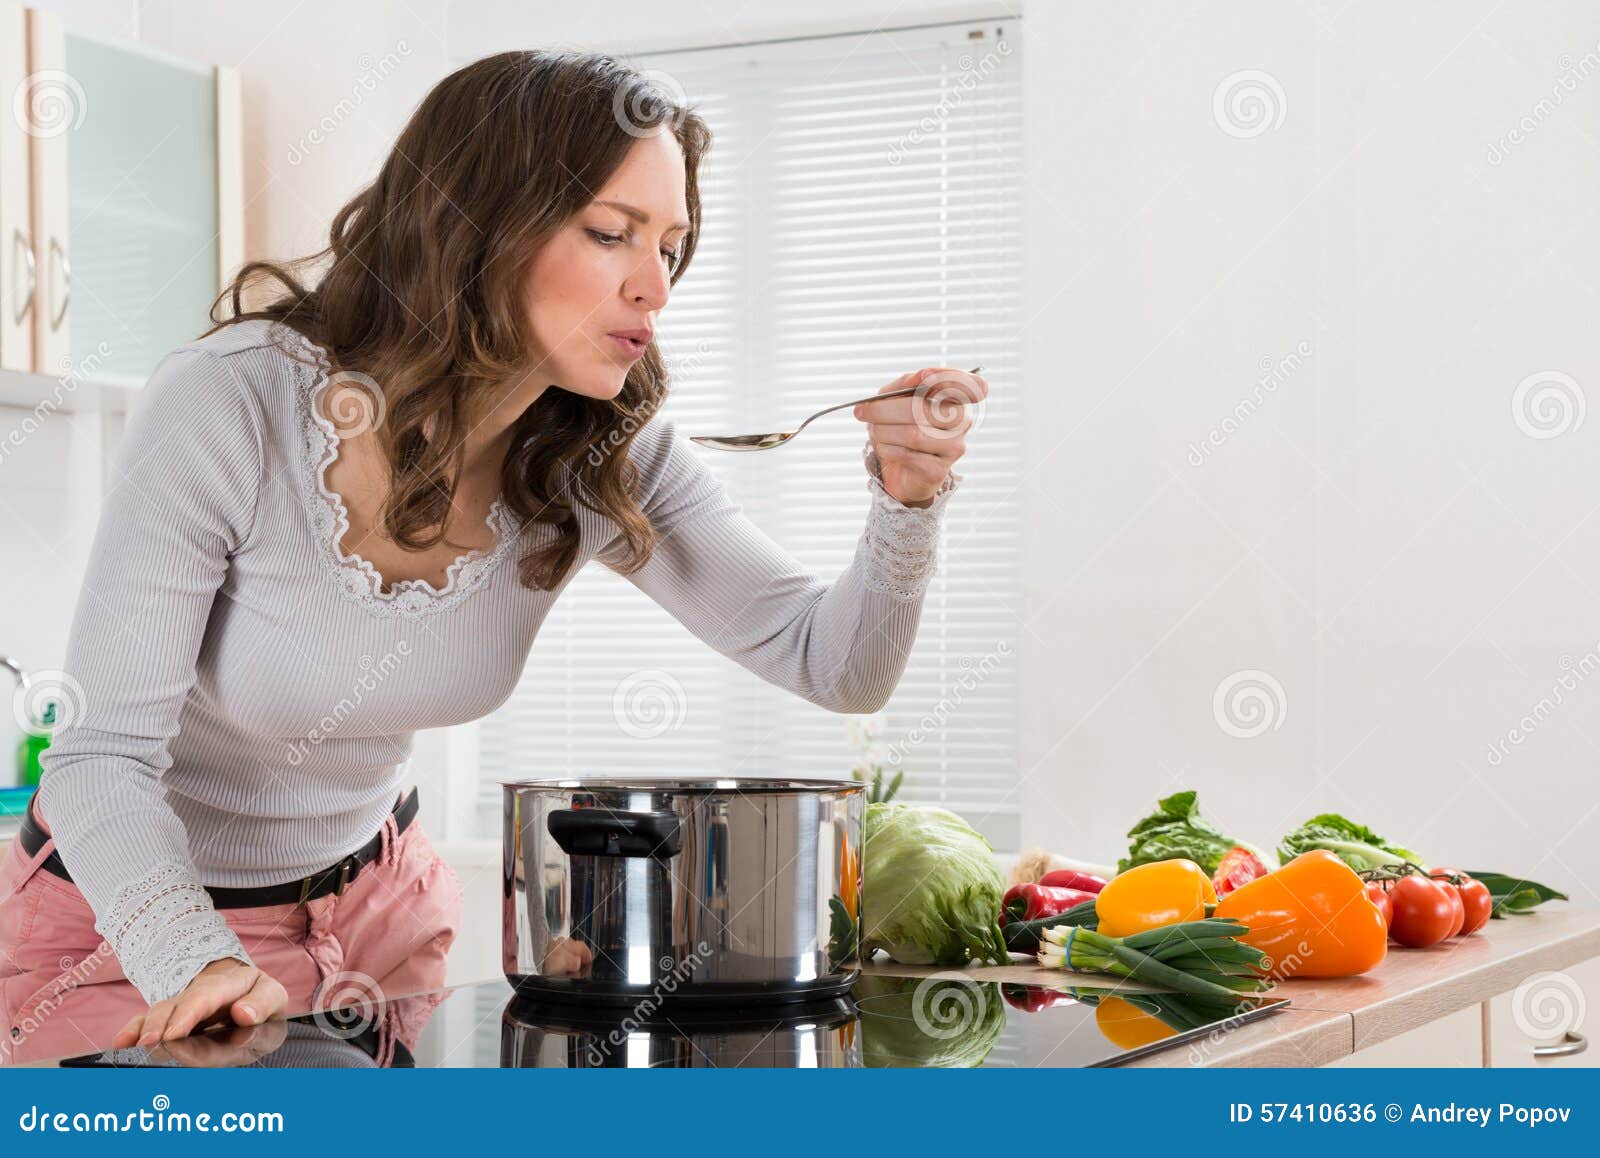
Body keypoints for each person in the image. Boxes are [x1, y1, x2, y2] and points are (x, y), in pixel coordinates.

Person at [0, 49, 985, 1056]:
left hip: (379, 922)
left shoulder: (601, 448)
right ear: (477, 226)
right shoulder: (231, 403)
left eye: (672, 247)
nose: (655, 286)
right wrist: (195, 959)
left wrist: (906, 502)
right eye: (611, 235)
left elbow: (836, 664)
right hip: (127, 938)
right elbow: (98, 760)